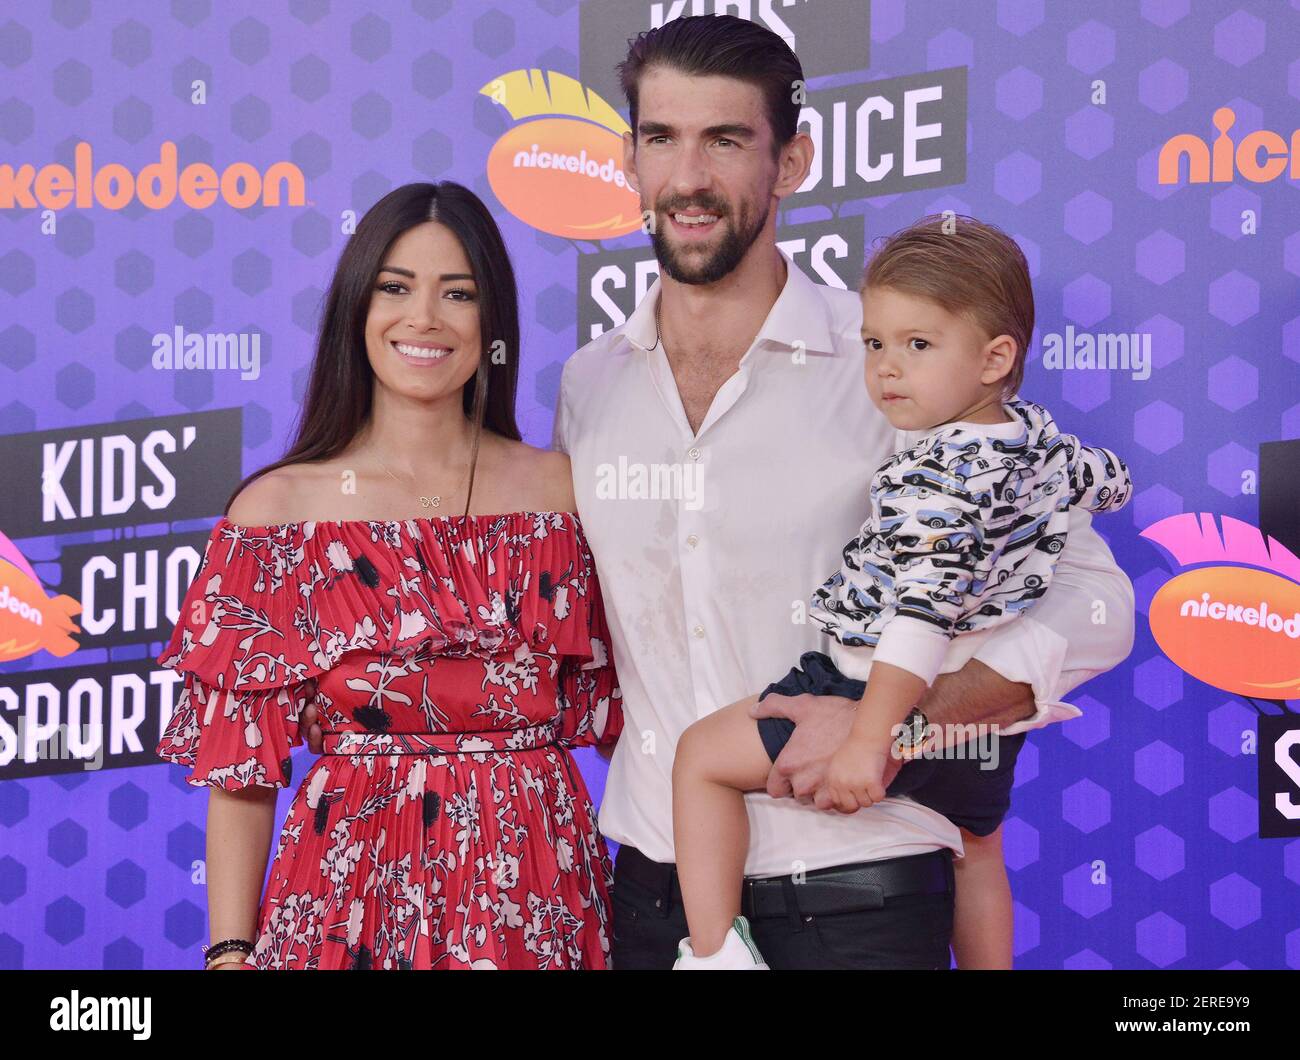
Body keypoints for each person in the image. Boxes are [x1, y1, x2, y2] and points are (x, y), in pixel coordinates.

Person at [549, 15, 1135, 970]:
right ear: (629, 159)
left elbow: (1100, 605)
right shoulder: (589, 385)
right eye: (662, 138)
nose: (688, 177)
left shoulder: (892, 362)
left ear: (791, 164)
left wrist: (904, 722)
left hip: (862, 896)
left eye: (727, 140)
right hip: (653, 898)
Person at [154, 181, 623, 970]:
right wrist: (230, 956)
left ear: (493, 320)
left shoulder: (561, 493)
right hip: (345, 897)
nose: (425, 319)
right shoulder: (276, 515)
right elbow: (241, 773)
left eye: (458, 293)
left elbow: (630, 713)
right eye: (395, 287)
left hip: (537, 897)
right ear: (356, 309)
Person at [670, 214, 1133, 969]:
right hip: (985, 738)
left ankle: (715, 954)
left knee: (697, 759)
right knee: (975, 849)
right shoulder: (1034, 440)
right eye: (875, 343)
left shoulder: (934, 480)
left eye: (918, 346)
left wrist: (867, 741)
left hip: (861, 696)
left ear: (995, 357)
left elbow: (919, 615)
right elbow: (1105, 479)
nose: (887, 368)